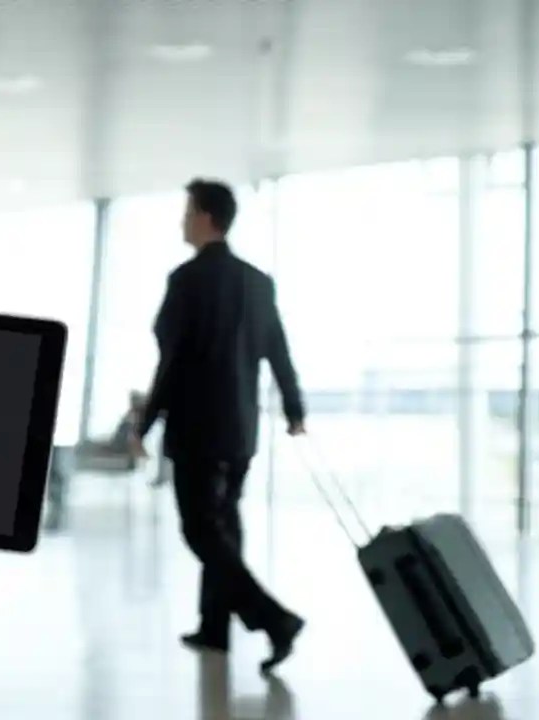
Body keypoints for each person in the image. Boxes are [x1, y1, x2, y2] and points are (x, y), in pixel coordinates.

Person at [129, 179, 307, 675]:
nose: (182, 222)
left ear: (207, 217)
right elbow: (278, 351)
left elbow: (171, 360)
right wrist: (295, 409)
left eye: (187, 213)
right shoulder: (257, 282)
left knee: (200, 529)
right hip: (241, 429)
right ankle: (214, 628)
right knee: (224, 524)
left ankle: (274, 619)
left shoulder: (186, 280)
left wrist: (145, 423)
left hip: (197, 428)